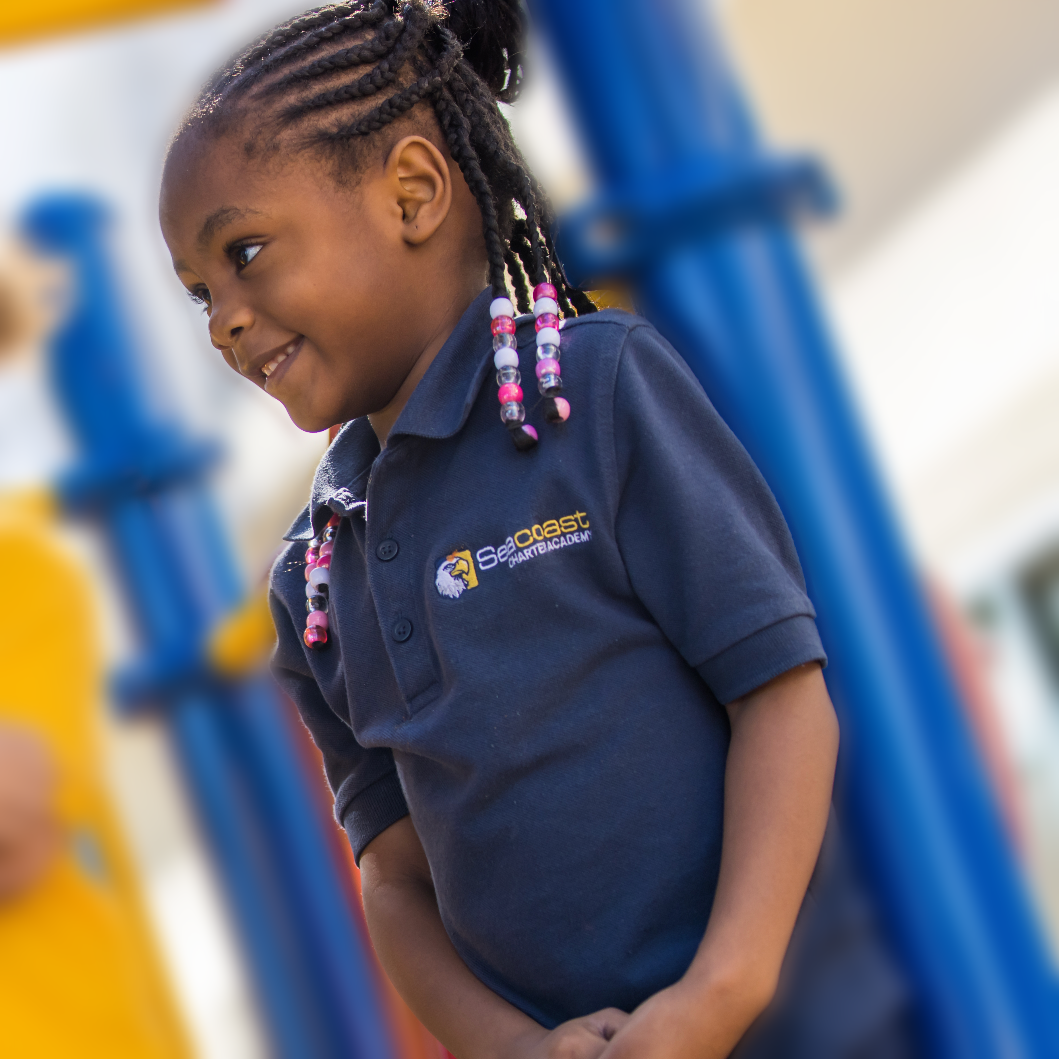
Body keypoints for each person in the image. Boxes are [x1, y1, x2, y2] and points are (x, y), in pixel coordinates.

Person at [159, 3, 913, 1056]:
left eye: (244, 253)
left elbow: (783, 697)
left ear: (413, 194)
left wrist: (721, 991)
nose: (224, 319)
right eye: (200, 292)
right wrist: (515, 1047)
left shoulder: (591, 396)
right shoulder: (314, 578)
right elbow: (395, 881)